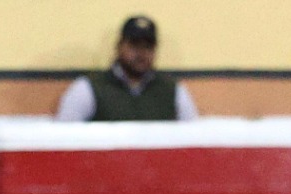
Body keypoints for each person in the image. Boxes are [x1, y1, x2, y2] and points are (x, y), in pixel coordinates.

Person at [55, 15, 196, 122]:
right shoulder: (88, 89)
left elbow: (193, 139)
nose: (141, 53)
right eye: (134, 45)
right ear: (119, 46)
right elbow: (65, 141)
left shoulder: (173, 91)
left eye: (148, 46)